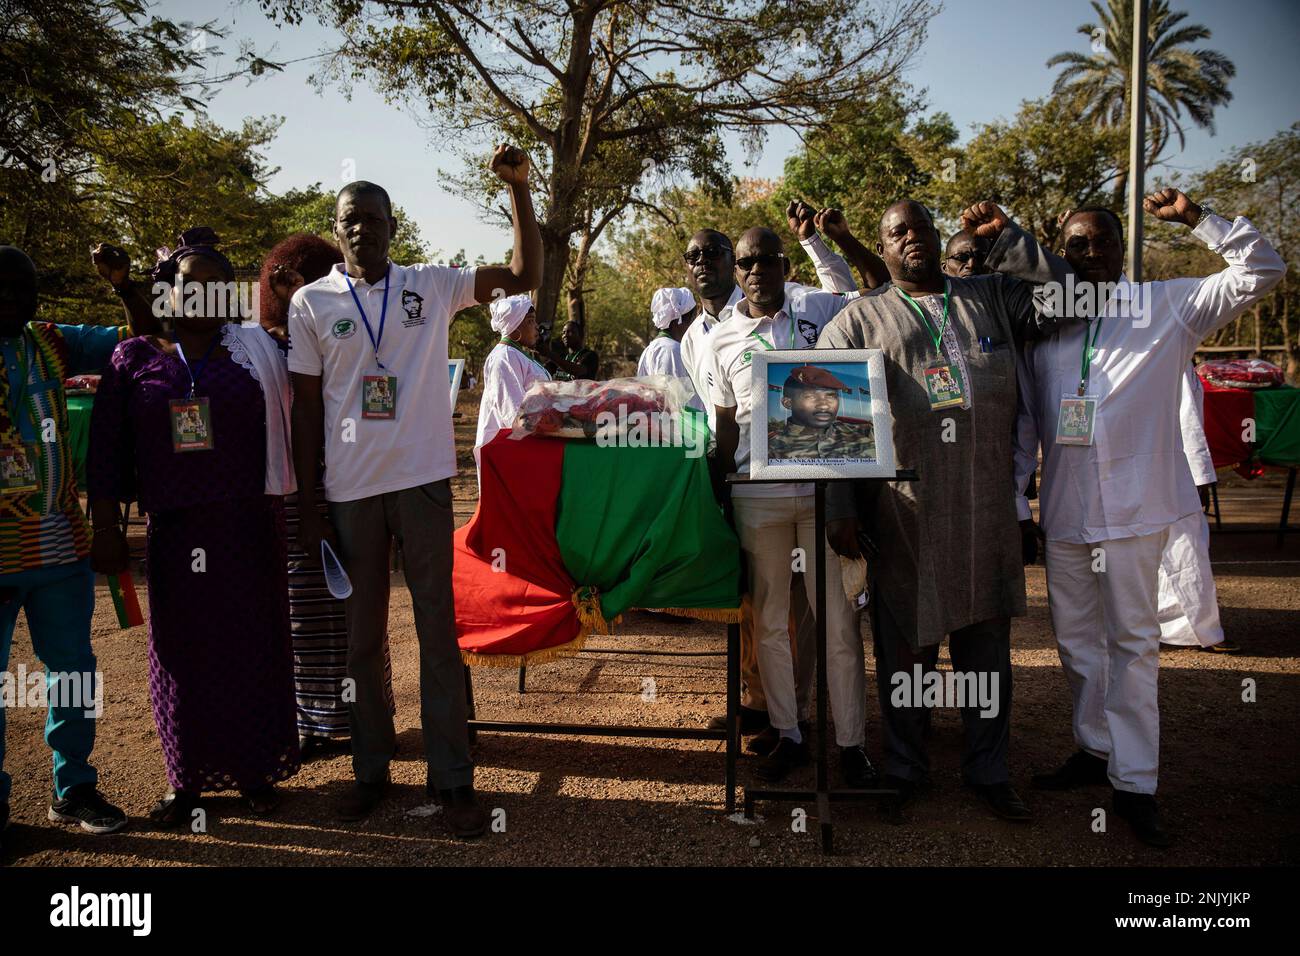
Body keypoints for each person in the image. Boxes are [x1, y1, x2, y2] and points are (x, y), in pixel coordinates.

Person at [1010, 192, 1283, 846]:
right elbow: (1025, 424)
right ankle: (1094, 748)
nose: (1091, 253)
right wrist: (1021, 503)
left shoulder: (1168, 306)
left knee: (1131, 645)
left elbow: (1262, 271)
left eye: (1102, 241)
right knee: (1077, 646)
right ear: (1062, 255)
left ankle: (1136, 781)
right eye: (1077, 245)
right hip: (1070, 516)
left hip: (1134, 514)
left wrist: (1197, 218)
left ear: (1121, 248)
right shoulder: (1046, 323)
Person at [288, 144, 541, 838]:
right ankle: (370, 771)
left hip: (424, 483)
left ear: (394, 227)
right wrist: (310, 503)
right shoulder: (311, 303)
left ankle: (452, 781)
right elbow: (306, 409)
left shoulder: (431, 286)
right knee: (361, 640)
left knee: (438, 633)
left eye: (374, 217)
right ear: (337, 228)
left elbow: (524, 273)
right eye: (350, 218)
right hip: (350, 491)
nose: (363, 228)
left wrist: (518, 189)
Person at [820, 199, 1076, 824]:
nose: (911, 237)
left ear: (940, 236)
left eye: (920, 227)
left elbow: (1074, 300)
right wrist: (842, 506)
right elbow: (825, 417)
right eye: (895, 231)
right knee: (906, 647)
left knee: (985, 649)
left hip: (985, 505)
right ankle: (906, 768)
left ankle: (988, 769)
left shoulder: (990, 295)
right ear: (879, 248)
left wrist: (1011, 238)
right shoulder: (858, 322)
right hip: (905, 511)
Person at [88, 227, 300, 826]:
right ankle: (187, 784)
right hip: (177, 530)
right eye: (190, 285)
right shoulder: (136, 358)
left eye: (215, 285)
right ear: (168, 294)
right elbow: (105, 450)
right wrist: (105, 529)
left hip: (249, 523)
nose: (203, 295)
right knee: (181, 654)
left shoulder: (256, 350)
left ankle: (255, 771)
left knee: (251, 644)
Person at [709, 225, 874, 787]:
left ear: (785, 265)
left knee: (838, 623)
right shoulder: (721, 339)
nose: (758, 272)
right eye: (747, 263)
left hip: (825, 488)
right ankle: (790, 733)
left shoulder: (819, 311)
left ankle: (851, 744)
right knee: (772, 623)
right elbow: (725, 424)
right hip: (758, 495)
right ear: (738, 273)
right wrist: (721, 495)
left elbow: (865, 288)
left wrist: (822, 242)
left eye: (768, 261)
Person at [0, 244, 149, 847]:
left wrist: (124, 284)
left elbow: (140, 335)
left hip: (59, 548)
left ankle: (75, 787)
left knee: (73, 673)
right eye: (2, 287)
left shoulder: (51, 342)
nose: (14, 298)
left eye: (24, 288)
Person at [260, 235, 398, 758]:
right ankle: (315, 724)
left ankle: (368, 720)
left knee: (360, 613)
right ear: (280, 282)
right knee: (306, 618)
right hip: (298, 495)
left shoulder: (342, 331)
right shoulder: (257, 345)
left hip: (352, 483)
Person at [1158, 364, 1234, 653]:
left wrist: (1198, 476)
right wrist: (1199, 477)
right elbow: (1188, 416)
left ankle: (1197, 628)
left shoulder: (1174, 359)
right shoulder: (1171, 360)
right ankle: (1171, 626)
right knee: (1179, 546)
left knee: (1184, 547)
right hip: (1162, 466)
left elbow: (1188, 418)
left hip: (1174, 467)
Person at [475, 294, 550, 468]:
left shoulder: (516, 355)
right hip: (508, 448)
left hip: (525, 442)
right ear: (514, 325)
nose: (536, 327)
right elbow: (513, 412)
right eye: (530, 321)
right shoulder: (504, 357)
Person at [767, 365, 874, 461]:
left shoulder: (865, 432)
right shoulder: (769, 448)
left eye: (831, 396)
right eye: (811, 396)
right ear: (788, 403)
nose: (824, 405)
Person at [636, 287, 697, 397]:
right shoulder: (673, 351)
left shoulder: (649, 350)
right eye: (692, 319)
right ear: (680, 321)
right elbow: (676, 404)